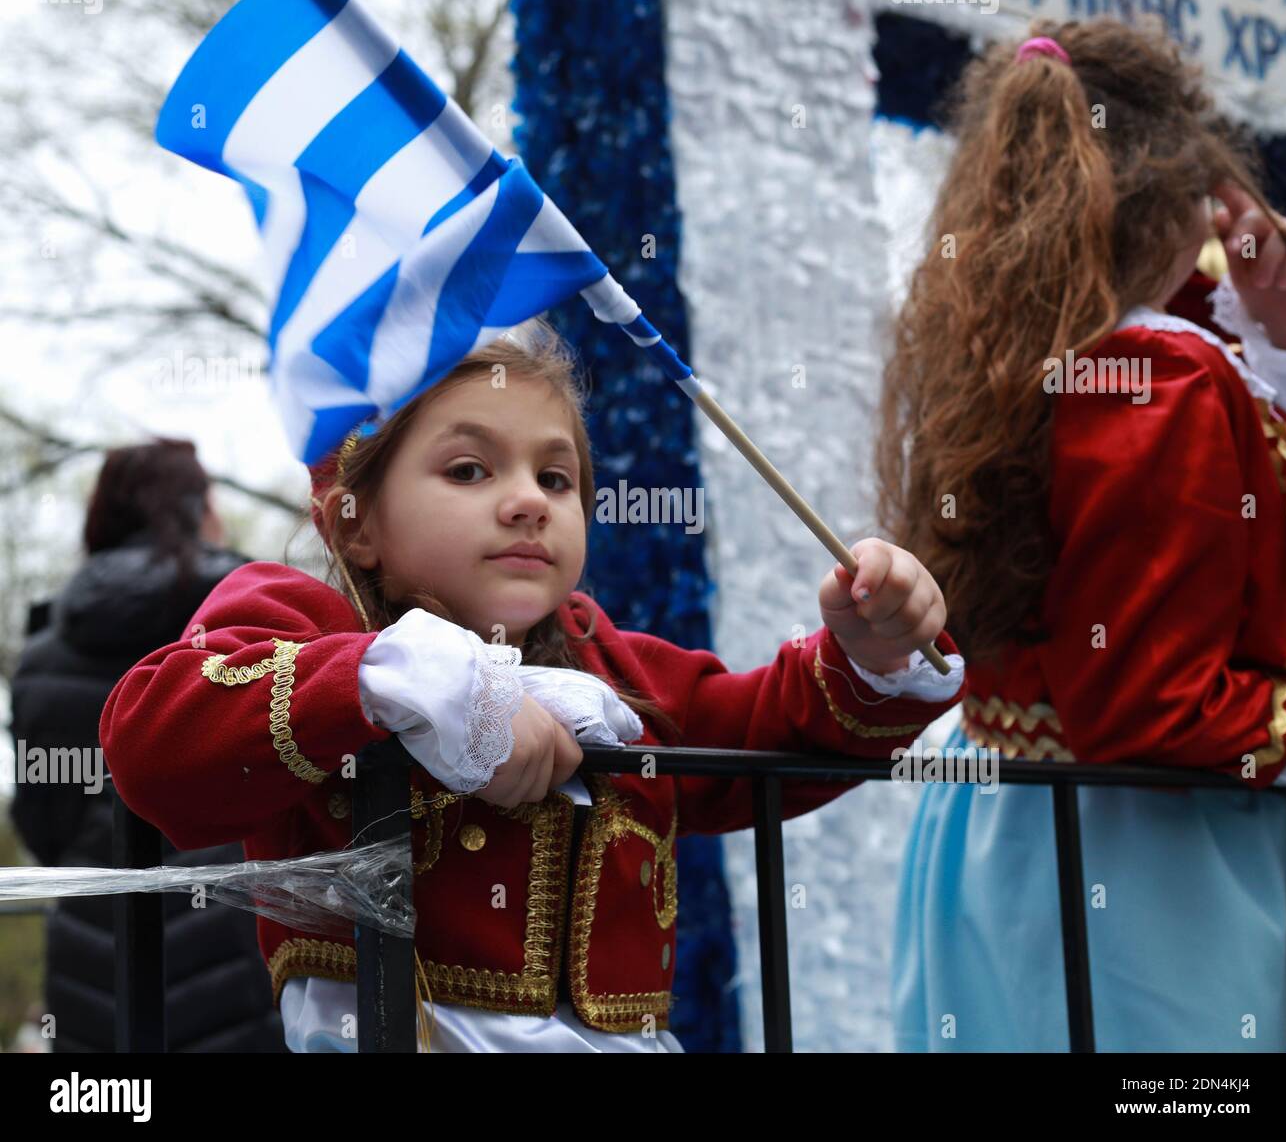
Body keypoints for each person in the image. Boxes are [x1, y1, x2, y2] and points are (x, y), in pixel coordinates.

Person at [99, 318, 966, 1053]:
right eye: (470, 470)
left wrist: (868, 649)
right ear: (356, 525)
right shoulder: (309, 623)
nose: (528, 502)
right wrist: (396, 680)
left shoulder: (616, 664)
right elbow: (151, 738)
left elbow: (771, 734)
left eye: (556, 477)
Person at [877, 18, 1286, 1052]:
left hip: (1005, 832)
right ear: (1187, 202)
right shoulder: (1169, 373)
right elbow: (1150, 705)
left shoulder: (1009, 354)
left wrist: (1278, 341)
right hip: (1152, 864)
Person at [9, 438, 286, 1051]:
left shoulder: (44, 652)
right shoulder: (256, 624)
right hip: (240, 931)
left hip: (95, 944)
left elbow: (41, 823)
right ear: (197, 510)